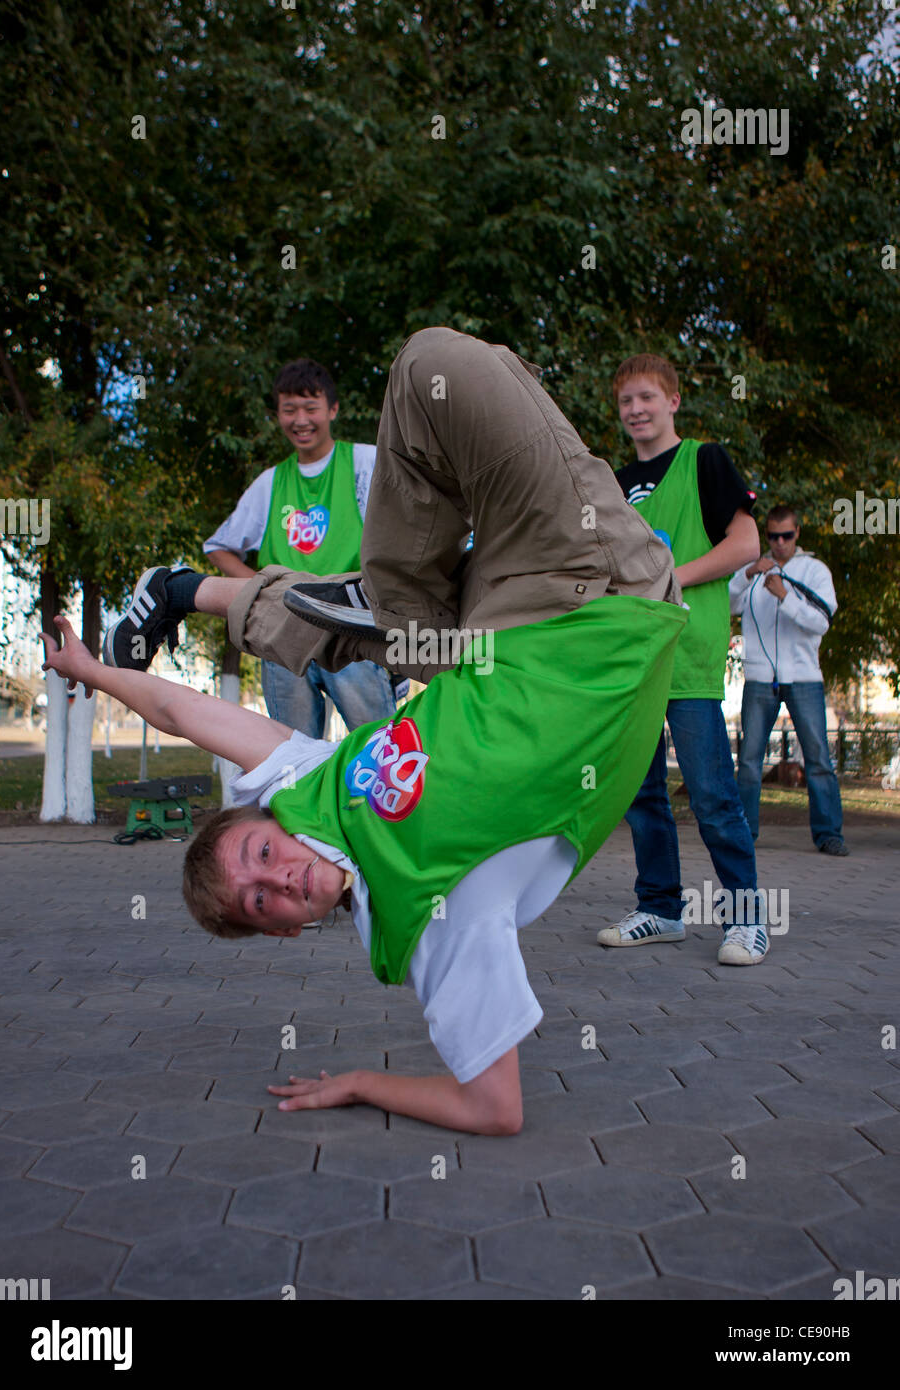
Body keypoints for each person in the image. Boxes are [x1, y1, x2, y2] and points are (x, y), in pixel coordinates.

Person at [78, 327, 686, 1136]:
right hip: (612, 594)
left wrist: (86, 671)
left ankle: (334, 598)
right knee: (436, 372)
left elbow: (185, 713)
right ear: (288, 933)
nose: (279, 884)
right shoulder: (424, 927)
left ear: (268, 820)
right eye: (262, 907)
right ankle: (392, 597)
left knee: (427, 374)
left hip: (498, 618)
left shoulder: (307, 787)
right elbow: (494, 1109)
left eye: (261, 859)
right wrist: (364, 1081)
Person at [598, 353, 768, 964]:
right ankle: (659, 909)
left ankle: (748, 918)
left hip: (688, 656)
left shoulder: (706, 460)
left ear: (673, 401)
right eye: (625, 402)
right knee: (641, 795)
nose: (636, 409)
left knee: (712, 795)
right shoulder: (611, 484)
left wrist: (669, 580)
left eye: (647, 397)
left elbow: (745, 543)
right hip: (631, 661)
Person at [202, 356, 401, 735]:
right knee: (293, 753)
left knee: (380, 746)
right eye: (289, 410)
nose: (300, 420)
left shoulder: (364, 462)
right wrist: (262, 590)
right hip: (283, 634)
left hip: (351, 627)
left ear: (333, 409)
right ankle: (304, 798)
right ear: (277, 414)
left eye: (311, 408)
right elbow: (219, 547)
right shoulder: (270, 483)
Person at [730, 505, 848, 855]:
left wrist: (785, 596)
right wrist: (748, 573)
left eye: (786, 536)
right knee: (750, 760)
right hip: (760, 677)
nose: (779, 543)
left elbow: (822, 621)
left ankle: (829, 834)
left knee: (818, 759)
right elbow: (729, 604)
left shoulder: (814, 571)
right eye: (772, 536)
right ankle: (744, 833)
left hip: (804, 676)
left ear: (798, 534)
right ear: (765, 536)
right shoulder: (753, 571)